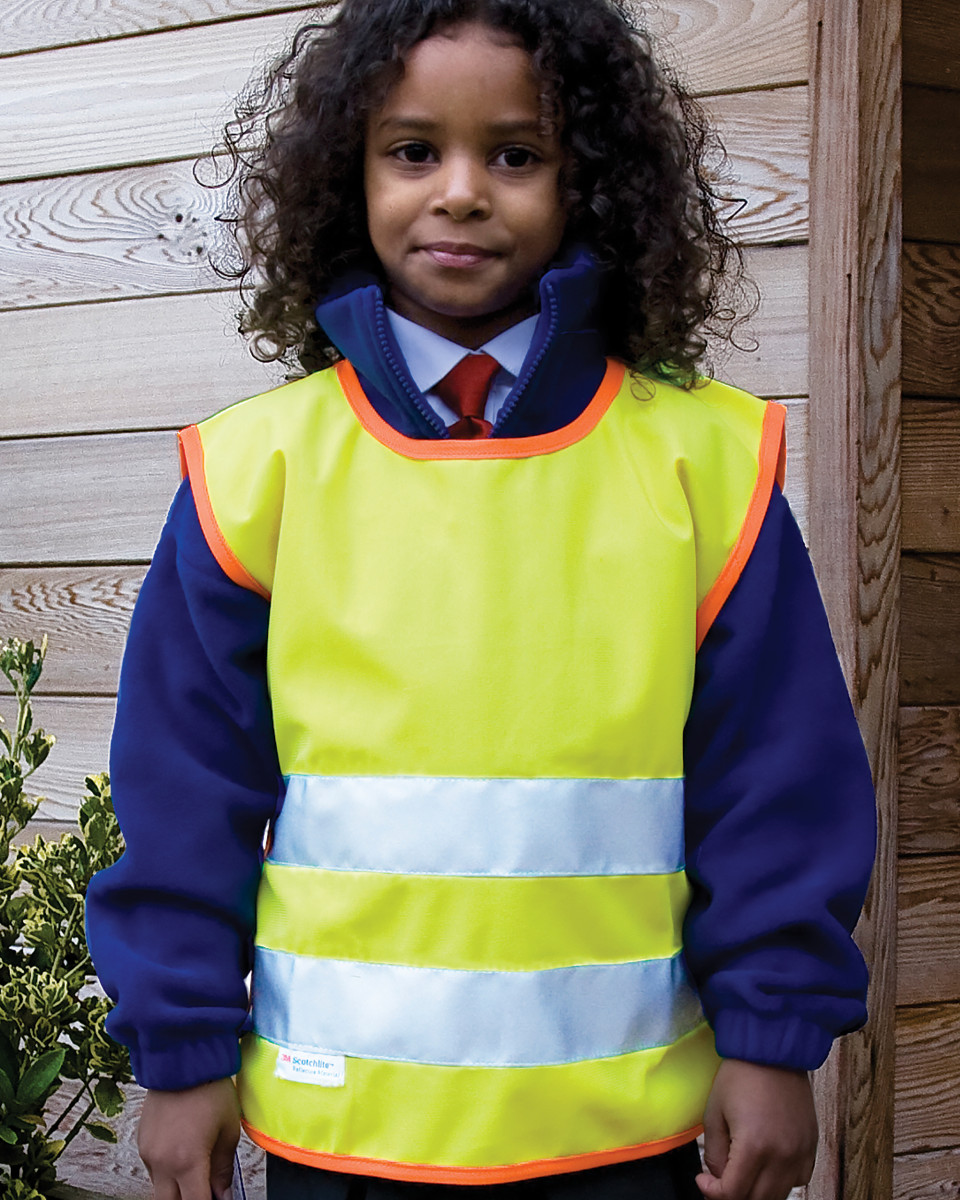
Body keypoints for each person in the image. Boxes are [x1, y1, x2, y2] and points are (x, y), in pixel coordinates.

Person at [85, 3, 876, 1200]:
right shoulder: (256, 472)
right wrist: (183, 1055)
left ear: (590, 180)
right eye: (413, 151)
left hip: (626, 1136)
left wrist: (775, 1041)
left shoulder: (705, 465)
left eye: (514, 153)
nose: (460, 191)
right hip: (341, 1128)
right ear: (345, 177)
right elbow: (183, 789)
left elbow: (778, 775)